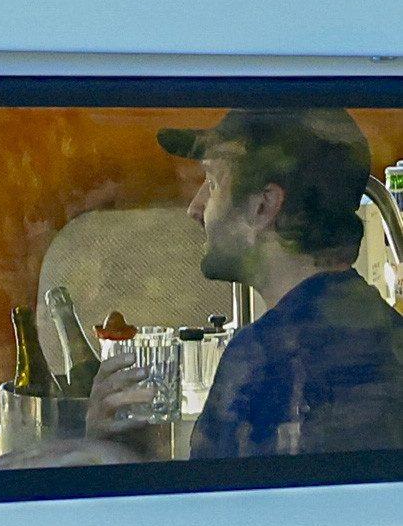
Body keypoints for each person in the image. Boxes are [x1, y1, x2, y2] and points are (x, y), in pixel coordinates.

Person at [87, 108, 402, 458]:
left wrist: (111, 453)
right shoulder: (390, 336)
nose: (195, 208)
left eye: (213, 183)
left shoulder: (261, 358)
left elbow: (210, 494)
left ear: (263, 206)